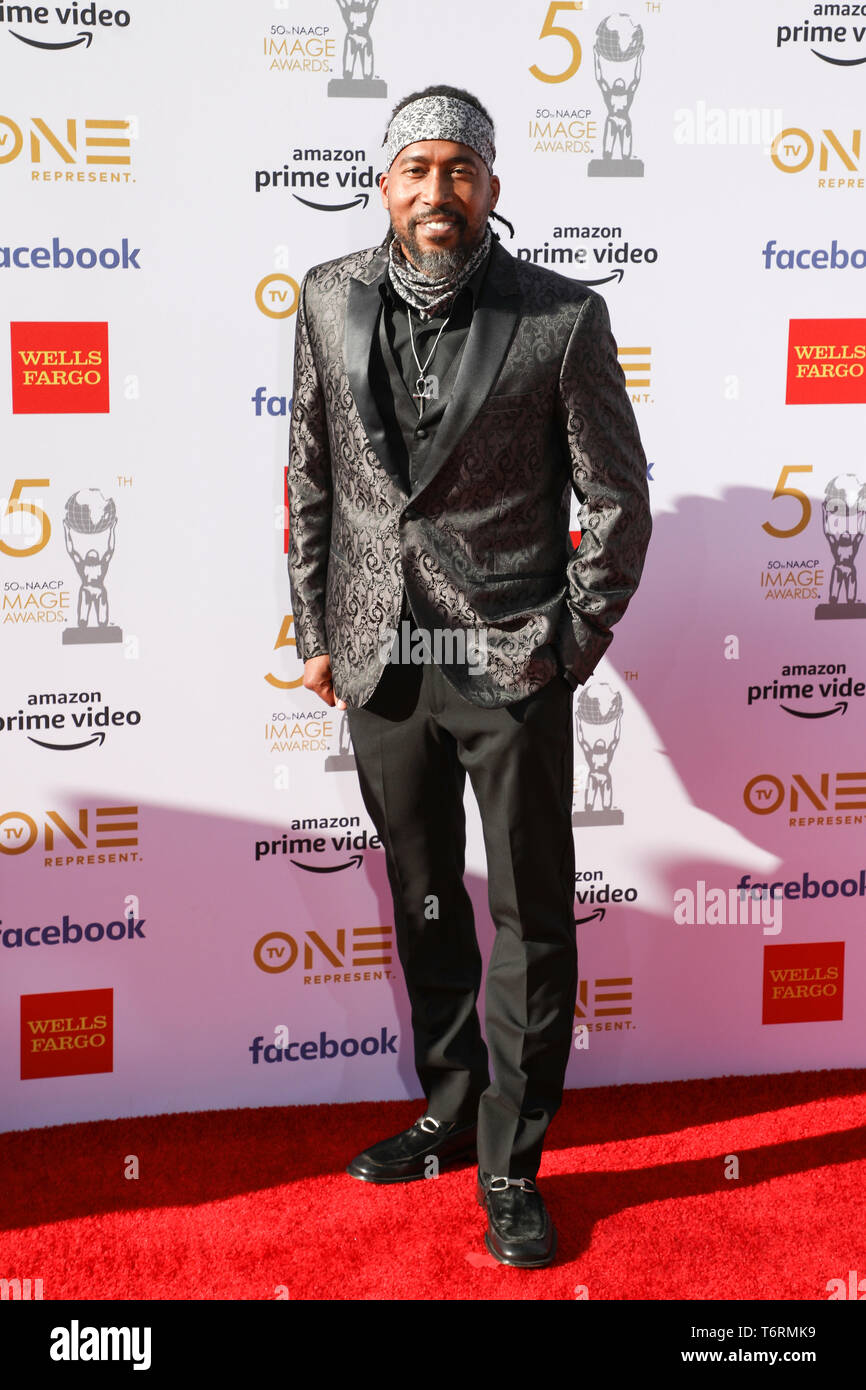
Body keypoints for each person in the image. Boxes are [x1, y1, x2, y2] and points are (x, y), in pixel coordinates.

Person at [287, 84, 651, 1267]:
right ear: (382, 183)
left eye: (459, 169)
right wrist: (314, 625)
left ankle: (512, 1162)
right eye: (414, 169)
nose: (435, 191)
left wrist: (567, 644)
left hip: (507, 666)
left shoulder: (559, 316)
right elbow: (310, 471)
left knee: (530, 920)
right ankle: (448, 1109)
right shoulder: (326, 297)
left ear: (491, 185)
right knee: (425, 896)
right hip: (383, 664)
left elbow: (615, 502)